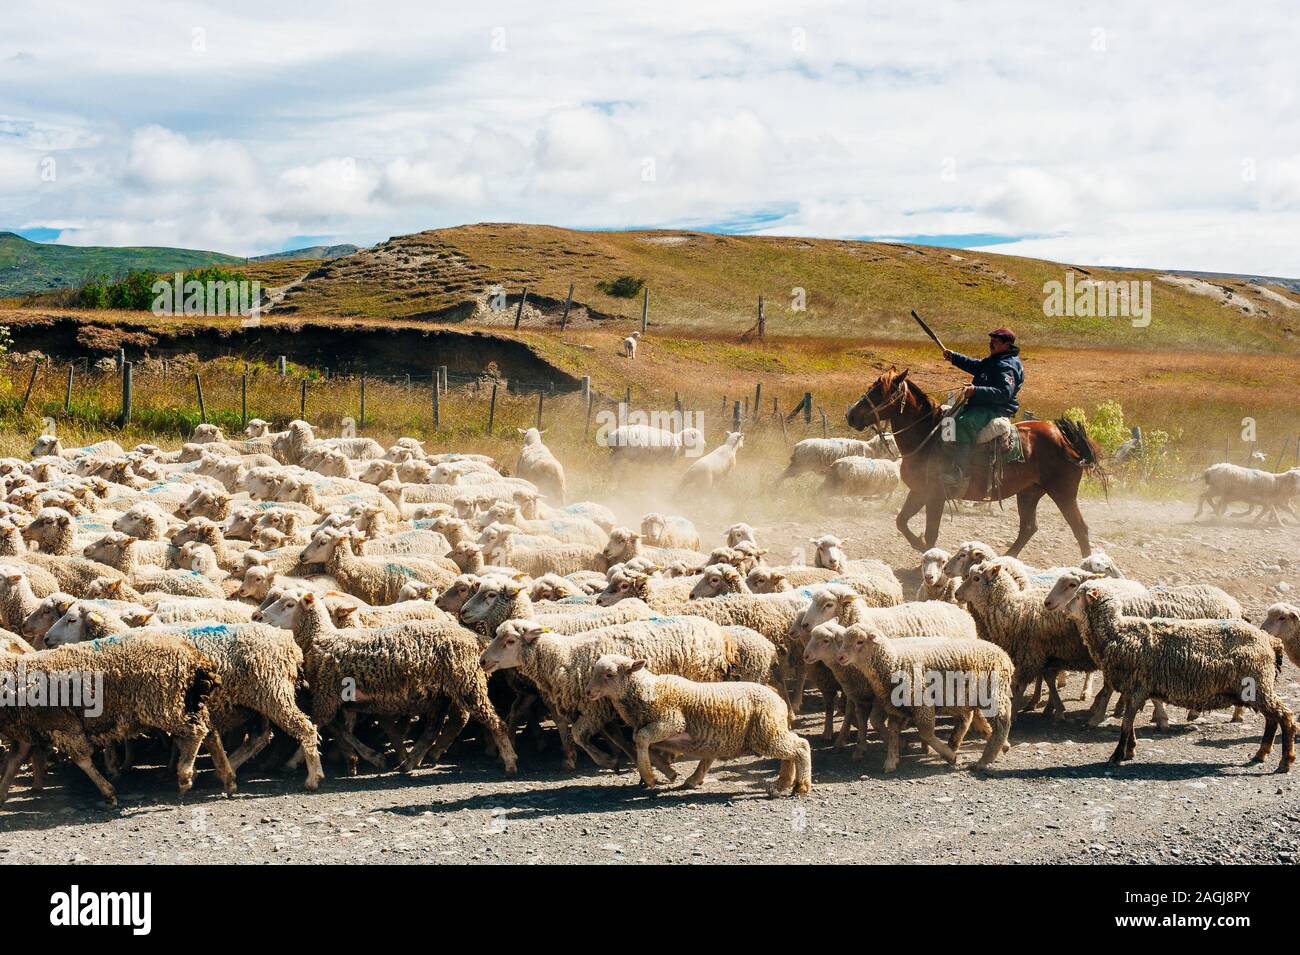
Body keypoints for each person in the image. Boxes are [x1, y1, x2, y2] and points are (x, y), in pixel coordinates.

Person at [940, 327, 1024, 490]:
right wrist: (954, 357)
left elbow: (1004, 393)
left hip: (995, 408)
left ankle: (960, 473)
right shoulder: (996, 358)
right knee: (948, 418)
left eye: (996, 341)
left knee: (964, 423)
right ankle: (948, 457)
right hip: (982, 404)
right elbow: (977, 366)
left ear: (1006, 345)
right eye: (991, 340)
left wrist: (976, 390)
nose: (991, 343)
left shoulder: (1007, 366)